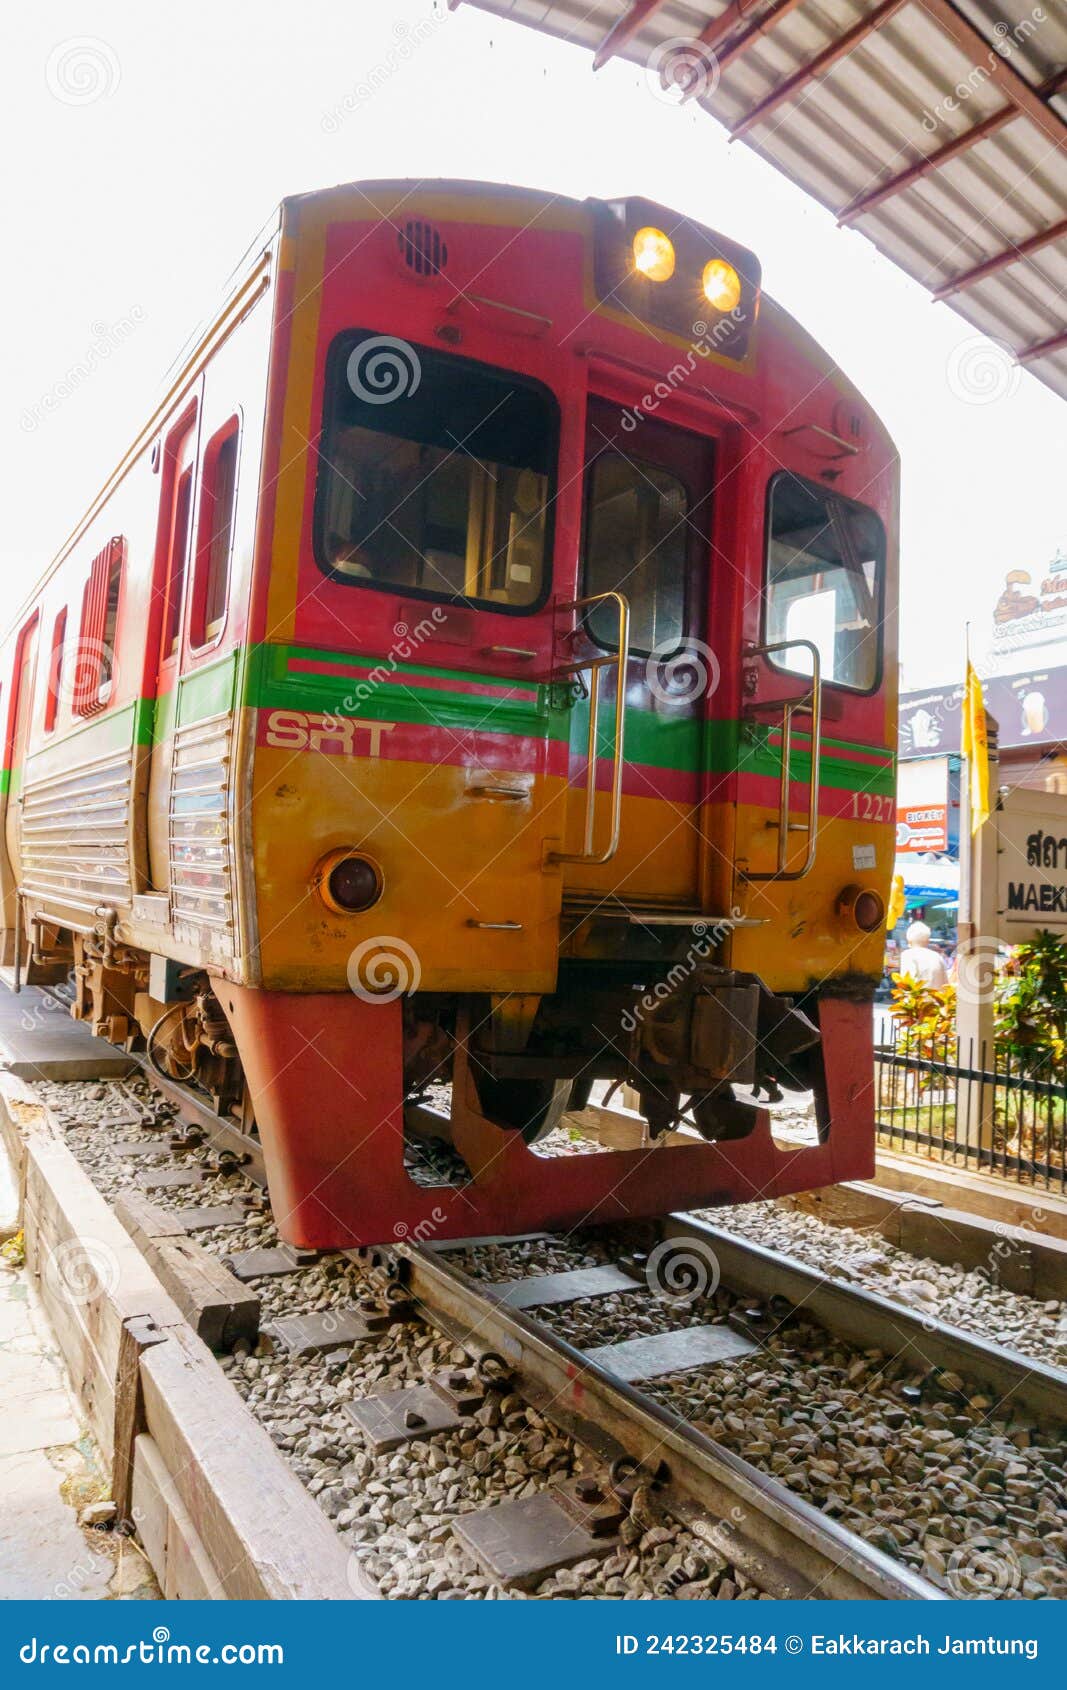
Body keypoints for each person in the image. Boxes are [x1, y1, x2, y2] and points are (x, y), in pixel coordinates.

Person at [898, 921, 949, 989]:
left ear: (909, 941)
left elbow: (906, 985)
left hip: (918, 998)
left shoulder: (907, 955)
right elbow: (946, 984)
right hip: (937, 998)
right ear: (928, 941)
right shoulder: (937, 957)